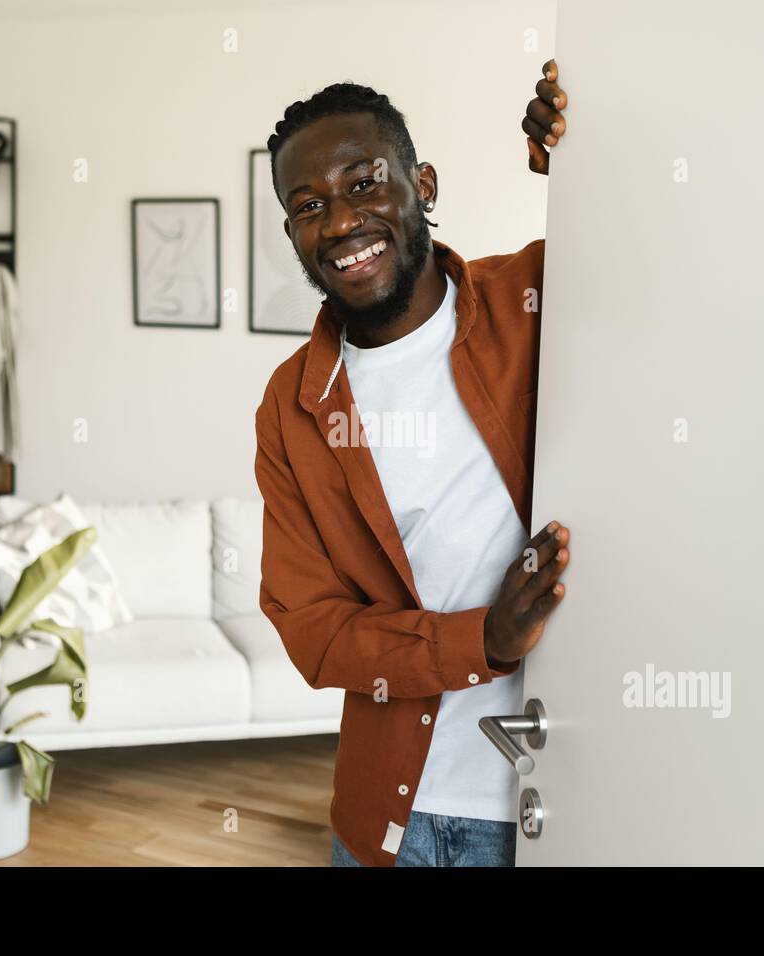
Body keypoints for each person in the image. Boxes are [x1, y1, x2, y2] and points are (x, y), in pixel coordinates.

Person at [254, 60, 571, 867]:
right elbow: (314, 632)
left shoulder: (536, 298)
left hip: (554, 808)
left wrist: (582, 167)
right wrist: (484, 641)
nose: (340, 222)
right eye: (309, 206)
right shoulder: (293, 405)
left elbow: (666, 248)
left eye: (365, 184)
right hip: (392, 826)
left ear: (422, 185)